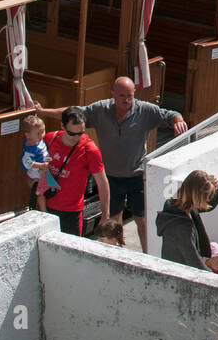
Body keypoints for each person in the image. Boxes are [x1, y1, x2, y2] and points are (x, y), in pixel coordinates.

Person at [35, 76, 187, 251]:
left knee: (142, 220)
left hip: (136, 175)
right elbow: (71, 112)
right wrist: (43, 112)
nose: (126, 100)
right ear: (113, 94)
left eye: (130, 96)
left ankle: (148, 255)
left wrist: (178, 121)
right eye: (122, 95)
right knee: (115, 221)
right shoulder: (101, 110)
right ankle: (118, 252)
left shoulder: (145, 110)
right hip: (111, 176)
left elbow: (169, 114)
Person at [42, 106, 113, 237]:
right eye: (71, 133)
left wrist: (105, 215)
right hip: (46, 207)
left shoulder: (89, 150)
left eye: (80, 133)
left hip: (71, 213)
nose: (76, 138)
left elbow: (102, 183)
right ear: (62, 126)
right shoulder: (49, 139)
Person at [156, 170, 218, 270]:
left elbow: (208, 206)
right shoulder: (181, 227)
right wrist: (213, 277)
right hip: (178, 273)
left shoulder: (178, 205)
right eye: (206, 196)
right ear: (196, 196)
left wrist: (216, 188)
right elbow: (194, 262)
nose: (207, 200)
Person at [20, 115, 57, 213]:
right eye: (38, 133)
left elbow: (45, 152)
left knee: (46, 189)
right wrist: (41, 165)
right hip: (36, 173)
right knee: (40, 193)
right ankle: (43, 211)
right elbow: (27, 162)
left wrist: (47, 161)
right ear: (28, 135)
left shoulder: (38, 141)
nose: (41, 135)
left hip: (44, 168)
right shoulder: (29, 150)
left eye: (43, 131)